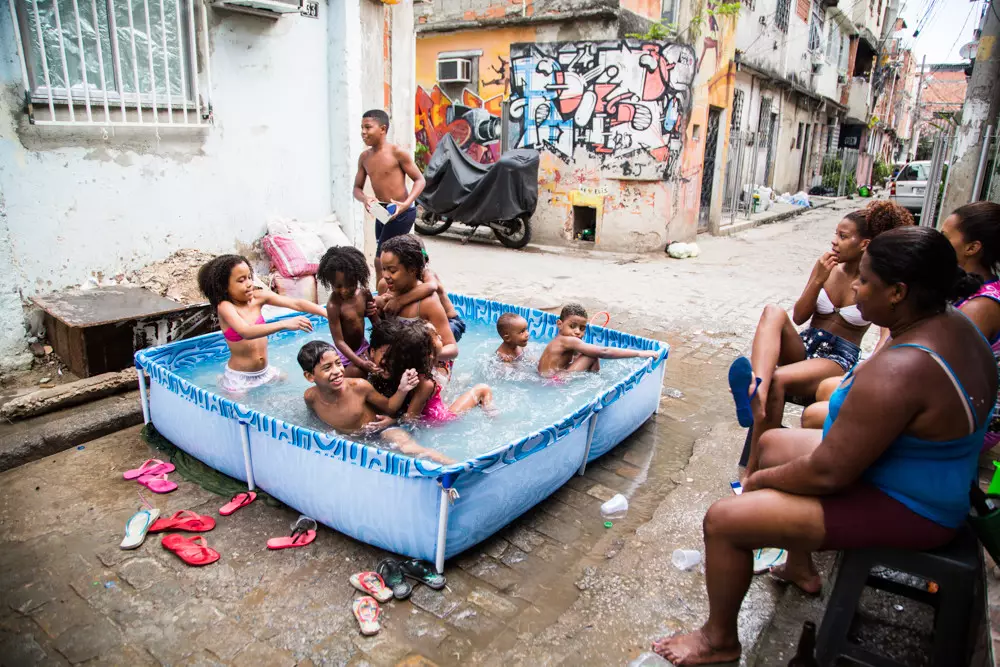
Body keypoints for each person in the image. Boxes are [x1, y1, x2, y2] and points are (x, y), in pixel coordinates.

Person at [654, 226, 997, 665]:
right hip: (920, 473)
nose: (855, 286)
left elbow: (828, 473)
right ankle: (799, 567)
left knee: (725, 519)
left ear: (898, 292)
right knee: (774, 442)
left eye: (865, 281)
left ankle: (719, 641)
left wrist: (759, 481)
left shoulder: (904, 367)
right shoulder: (958, 325)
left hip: (913, 506)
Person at [729, 201, 914, 476]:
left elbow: (884, 337)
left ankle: (753, 469)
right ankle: (758, 387)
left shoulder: (872, 281)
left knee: (781, 378)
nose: (834, 241)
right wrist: (817, 279)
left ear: (864, 244)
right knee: (773, 312)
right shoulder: (828, 269)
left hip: (837, 357)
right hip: (805, 344)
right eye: (835, 234)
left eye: (843, 236)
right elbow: (801, 316)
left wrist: (865, 374)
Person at [801, 202, 1000, 433]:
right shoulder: (960, 287)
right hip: (932, 391)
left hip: (960, 417)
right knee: (828, 389)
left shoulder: (980, 307)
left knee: (816, 414)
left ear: (972, 247)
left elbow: (941, 378)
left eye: (946, 236)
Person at [297, 341, 454, 465]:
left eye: (338, 363)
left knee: (408, 448)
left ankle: (454, 465)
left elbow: (390, 407)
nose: (337, 371)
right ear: (310, 376)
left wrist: (402, 389)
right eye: (327, 367)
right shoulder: (310, 397)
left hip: (381, 430)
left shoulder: (358, 387)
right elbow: (314, 422)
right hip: (353, 440)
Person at [198, 254, 327, 394]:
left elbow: (296, 303)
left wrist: (326, 313)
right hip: (240, 377)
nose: (248, 284)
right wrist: (284, 324)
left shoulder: (258, 297)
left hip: (265, 371)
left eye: (249, 277)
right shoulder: (225, 307)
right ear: (224, 287)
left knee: (287, 384)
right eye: (241, 280)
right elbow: (246, 332)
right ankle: (223, 381)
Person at [353, 109, 426, 285]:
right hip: (382, 212)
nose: (363, 132)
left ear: (383, 129)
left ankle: (382, 298)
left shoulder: (397, 153)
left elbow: (420, 180)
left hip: (402, 211)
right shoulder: (364, 157)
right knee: (394, 258)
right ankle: (405, 287)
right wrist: (365, 199)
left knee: (381, 260)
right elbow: (356, 188)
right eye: (362, 127)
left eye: (368, 127)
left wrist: (406, 204)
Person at [383, 320, 495, 424]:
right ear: (429, 354)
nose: (440, 336)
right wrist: (393, 422)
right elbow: (411, 418)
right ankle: (493, 416)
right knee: (483, 389)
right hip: (440, 419)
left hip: (428, 413)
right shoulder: (426, 383)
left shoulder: (408, 368)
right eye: (436, 336)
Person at [378, 235, 459, 362]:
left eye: (392, 271)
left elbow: (452, 348)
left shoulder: (428, 303)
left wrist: (425, 357)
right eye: (383, 269)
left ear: (412, 270)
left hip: (425, 360)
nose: (385, 275)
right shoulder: (384, 286)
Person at [537, 303, 657, 375]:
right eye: (572, 326)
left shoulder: (559, 341)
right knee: (592, 355)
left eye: (582, 328)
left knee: (586, 353)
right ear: (559, 324)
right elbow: (604, 352)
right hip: (556, 382)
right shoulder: (568, 340)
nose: (577, 331)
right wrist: (640, 353)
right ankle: (597, 382)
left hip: (546, 379)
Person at [317, 245, 379, 379]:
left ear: (357, 278)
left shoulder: (364, 294)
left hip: (363, 348)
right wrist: (361, 363)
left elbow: (377, 324)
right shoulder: (334, 306)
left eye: (350, 284)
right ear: (330, 283)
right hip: (344, 356)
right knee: (356, 374)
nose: (344, 290)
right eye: (338, 286)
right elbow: (339, 341)